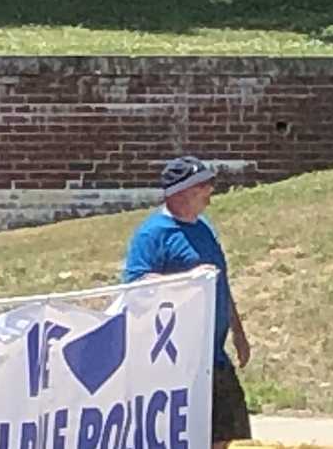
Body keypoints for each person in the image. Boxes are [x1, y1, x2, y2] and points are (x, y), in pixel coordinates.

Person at [122, 156, 252, 449]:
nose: (211, 191)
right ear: (180, 192)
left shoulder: (205, 227)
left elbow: (221, 283)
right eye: (204, 185)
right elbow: (134, 286)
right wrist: (187, 279)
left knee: (231, 436)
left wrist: (239, 332)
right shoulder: (152, 234)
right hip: (176, 361)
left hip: (214, 355)